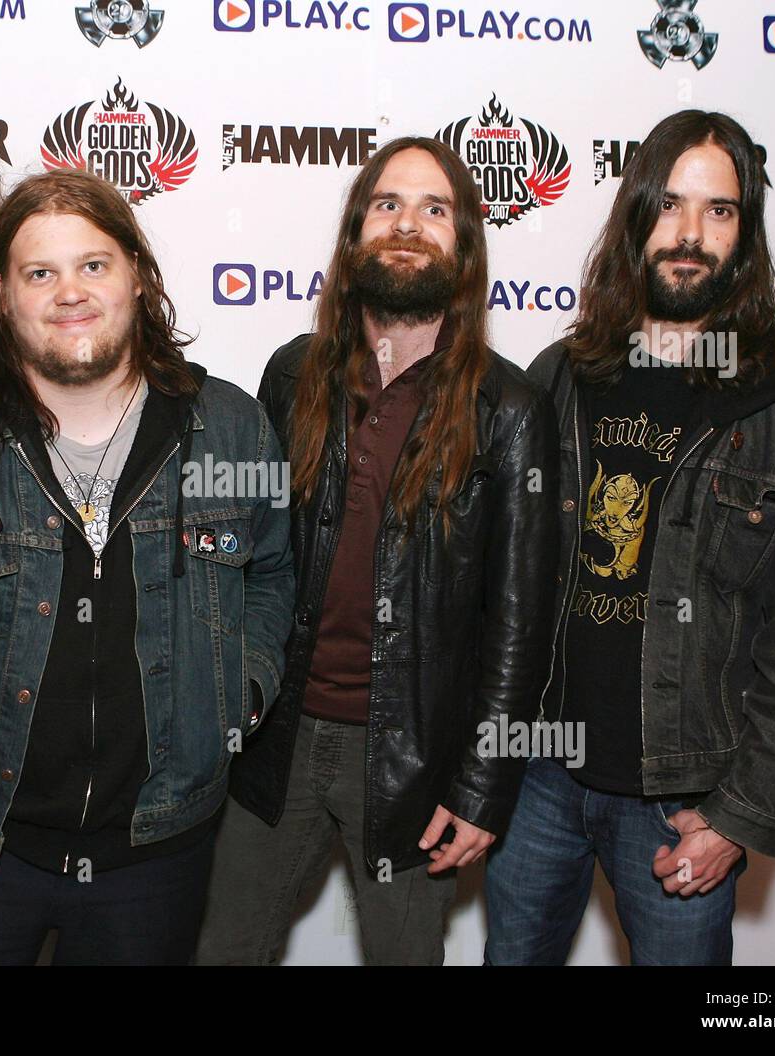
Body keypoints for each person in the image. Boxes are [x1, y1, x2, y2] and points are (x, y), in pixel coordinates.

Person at [0, 169, 295, 966]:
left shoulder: (231, 429)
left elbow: (272, 578)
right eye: (39, 272)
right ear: (3, 299)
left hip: (159, 851)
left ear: (139, 279)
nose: (68, 292)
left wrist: (238, 689)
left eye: (93, 265)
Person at [485, 110, 775, 965]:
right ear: (635, 217)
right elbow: (506, 584)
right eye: (671, 206)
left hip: (684, 799)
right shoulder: (564, 375)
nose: (690, 235)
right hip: (541, 774)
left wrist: (738, 819)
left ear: (746, 235)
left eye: (719, 212)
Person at [197, 136, 559, 965]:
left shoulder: (509, 408)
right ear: (356, 231)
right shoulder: (293, 374)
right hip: (272, 740)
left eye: (435, 209)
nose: (408, 224)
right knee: (219, 950)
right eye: (388, 204)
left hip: (411, 757)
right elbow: (246, 560)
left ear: (464, 245)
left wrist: (482, 786)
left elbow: (519, 622)